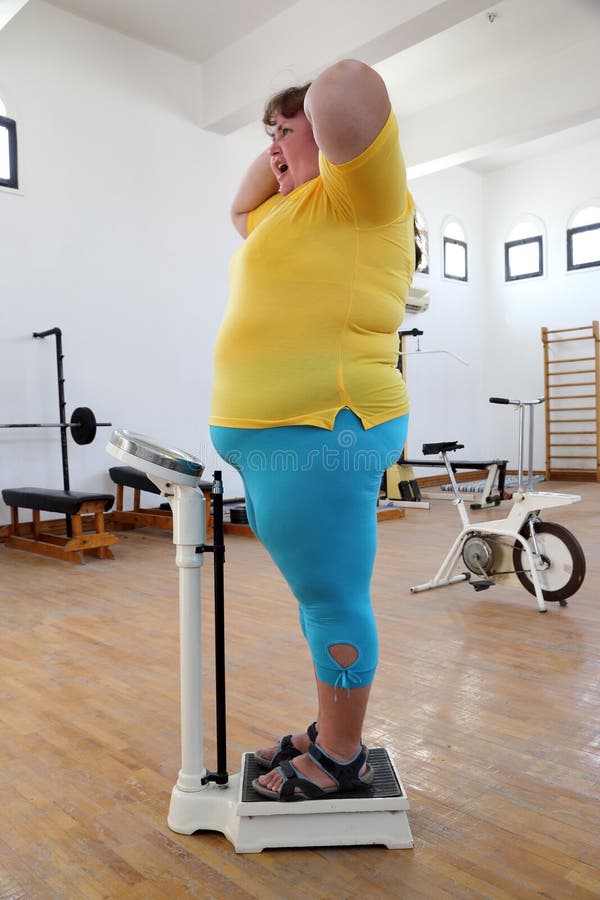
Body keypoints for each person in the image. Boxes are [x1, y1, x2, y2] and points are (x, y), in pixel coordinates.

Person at [209, 59, 418, 801]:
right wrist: (280, 141)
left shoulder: (359, 194)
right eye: (266, 134)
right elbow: (239, 206)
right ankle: (330, 726)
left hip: (325, 430)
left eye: (285, 130)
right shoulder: (279, 215)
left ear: (327, 142)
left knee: (331, 596)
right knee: (315, 597)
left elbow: (345, 91)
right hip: (276, 443)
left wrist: (307, 123)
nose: (271, 147)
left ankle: (340, 758)